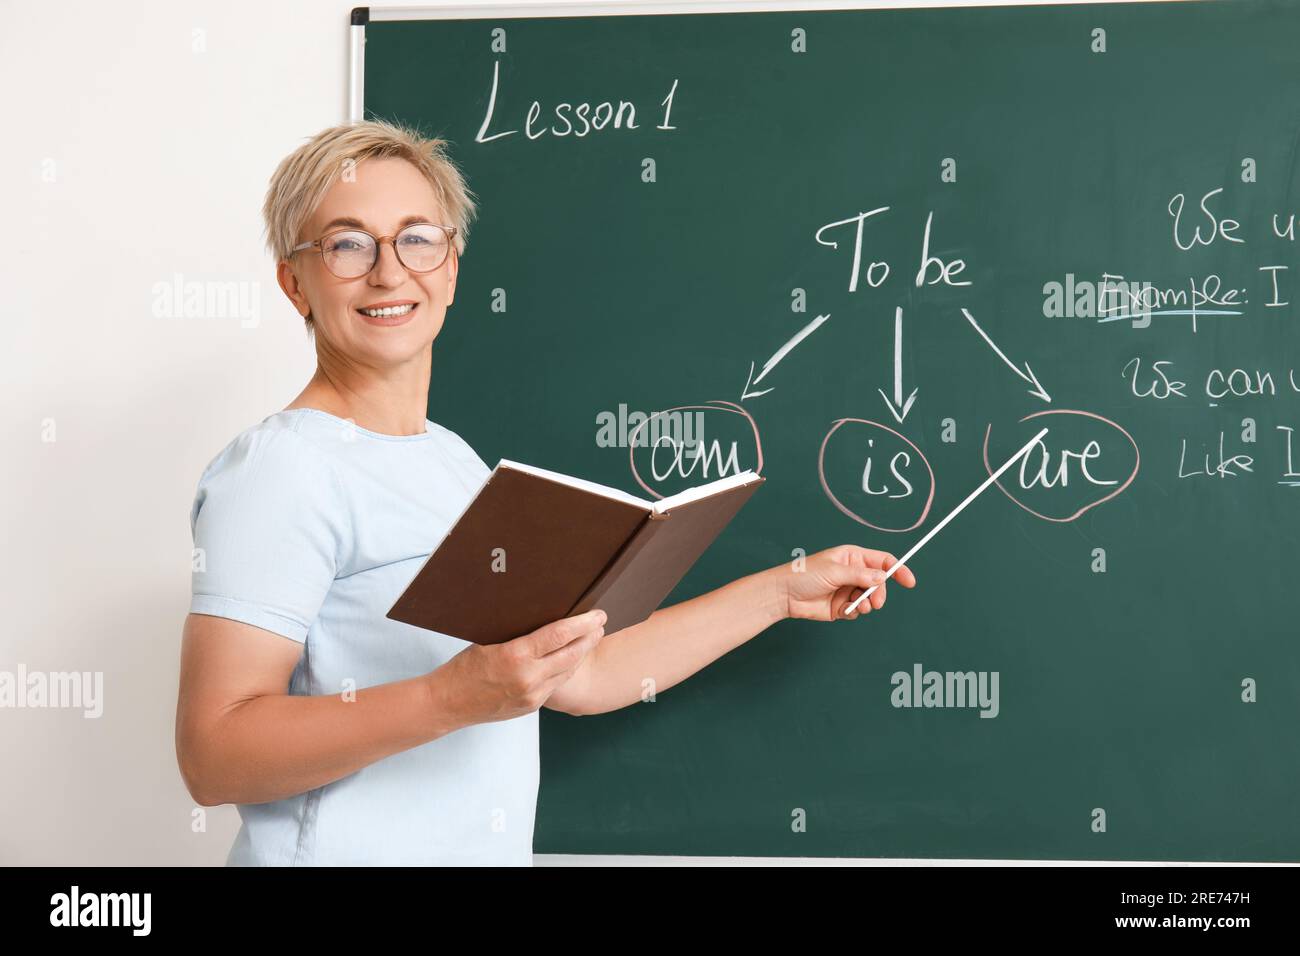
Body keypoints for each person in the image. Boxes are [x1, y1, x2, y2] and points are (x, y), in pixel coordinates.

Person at [173, 119, 916, 866]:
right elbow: (213, 754)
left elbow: (581, 673)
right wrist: (450, 697)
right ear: (294, 282)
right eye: (347, 243)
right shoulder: (282, 469)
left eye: (417, 238)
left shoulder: (453, 463)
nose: (389, 272)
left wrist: (782, 592)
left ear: (453, 266)